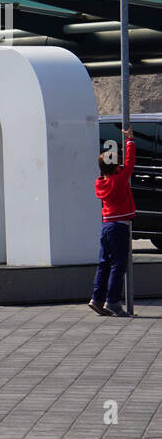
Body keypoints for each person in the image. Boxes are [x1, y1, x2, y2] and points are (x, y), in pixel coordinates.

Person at [91, 127, 135, 317]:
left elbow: (120, 166)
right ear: (116, 167)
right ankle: (113, 301)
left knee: (104, 263)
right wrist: (130, 141)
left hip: (106, 226)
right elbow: (130, 162)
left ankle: (97, 299)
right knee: (119, 264)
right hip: (119, 227)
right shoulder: (119, 180)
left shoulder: (100, 182)